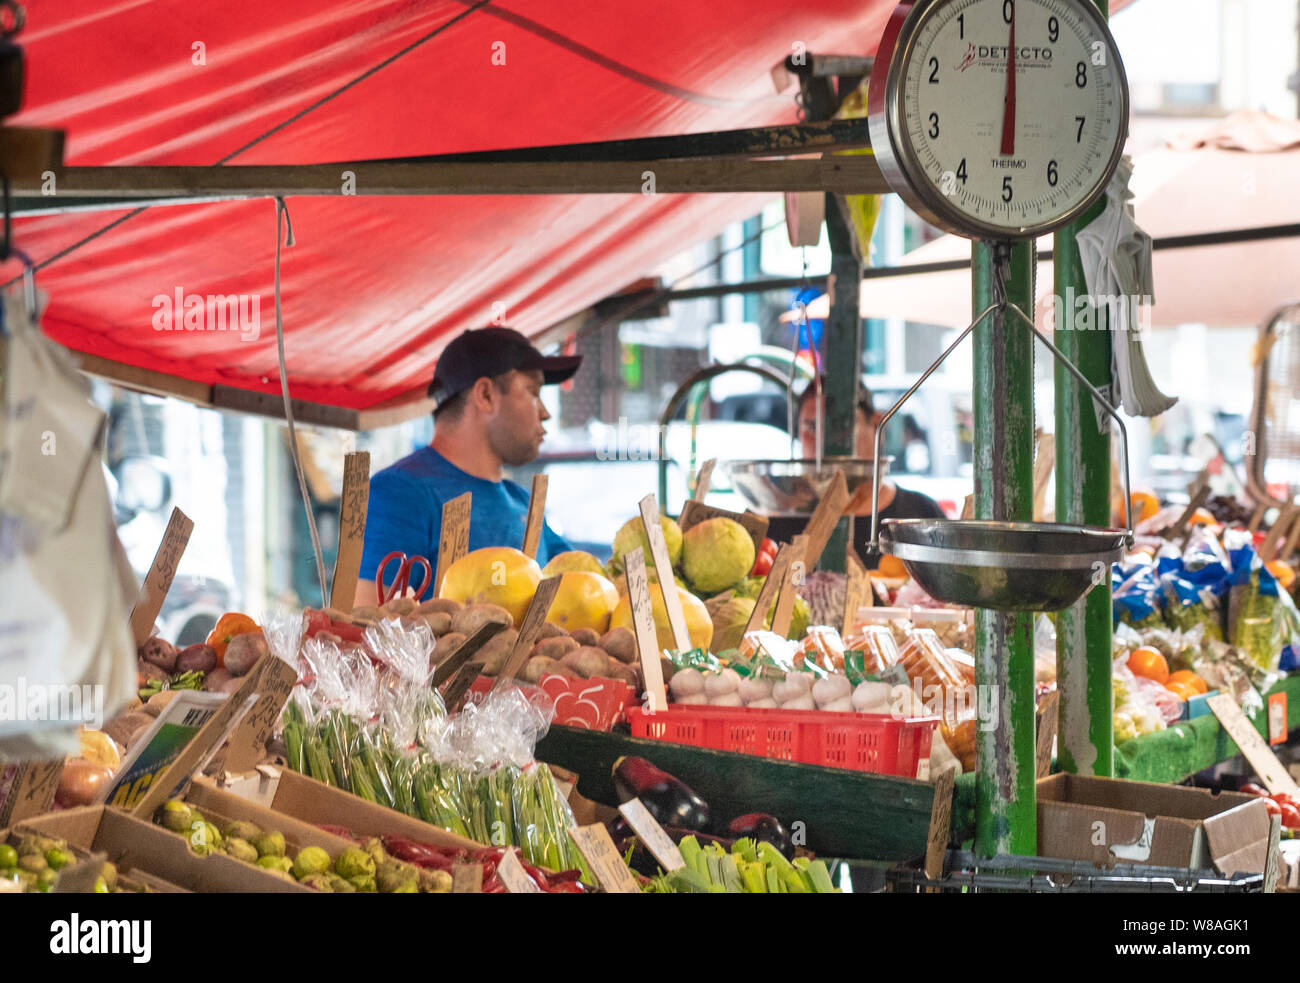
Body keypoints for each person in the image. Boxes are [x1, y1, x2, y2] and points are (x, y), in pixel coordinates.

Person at [354, 327, 581, 606]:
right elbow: (363, 626)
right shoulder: (400, 493)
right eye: (533, 391)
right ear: (485, 395)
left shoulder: (524, 503)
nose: (545, 413)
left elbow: (587, 584)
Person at [766, 380, 947, 568]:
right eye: (811, 428)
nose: (823, 444)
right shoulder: (778, 519)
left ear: (877, 425)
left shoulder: (922, 515)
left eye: (840, 427)